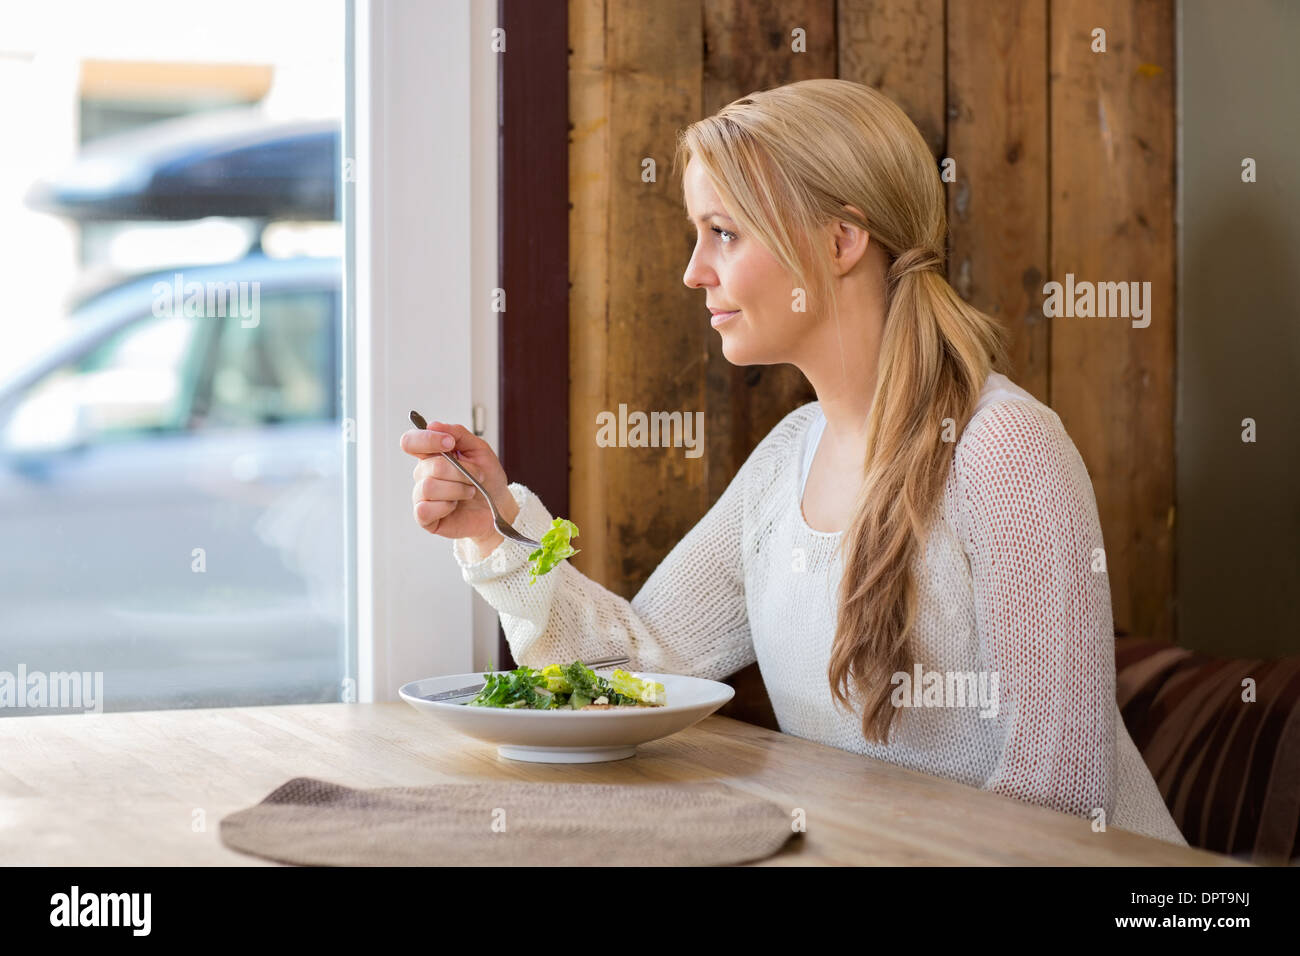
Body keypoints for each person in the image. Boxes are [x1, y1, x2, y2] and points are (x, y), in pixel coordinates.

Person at [400, 78, 1187, 847]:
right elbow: (628, 669)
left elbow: (1060, 799)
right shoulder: (787, 459)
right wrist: (496, 528)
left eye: (725, 232)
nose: (693, 270)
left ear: (843, 241)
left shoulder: (1007, 450)